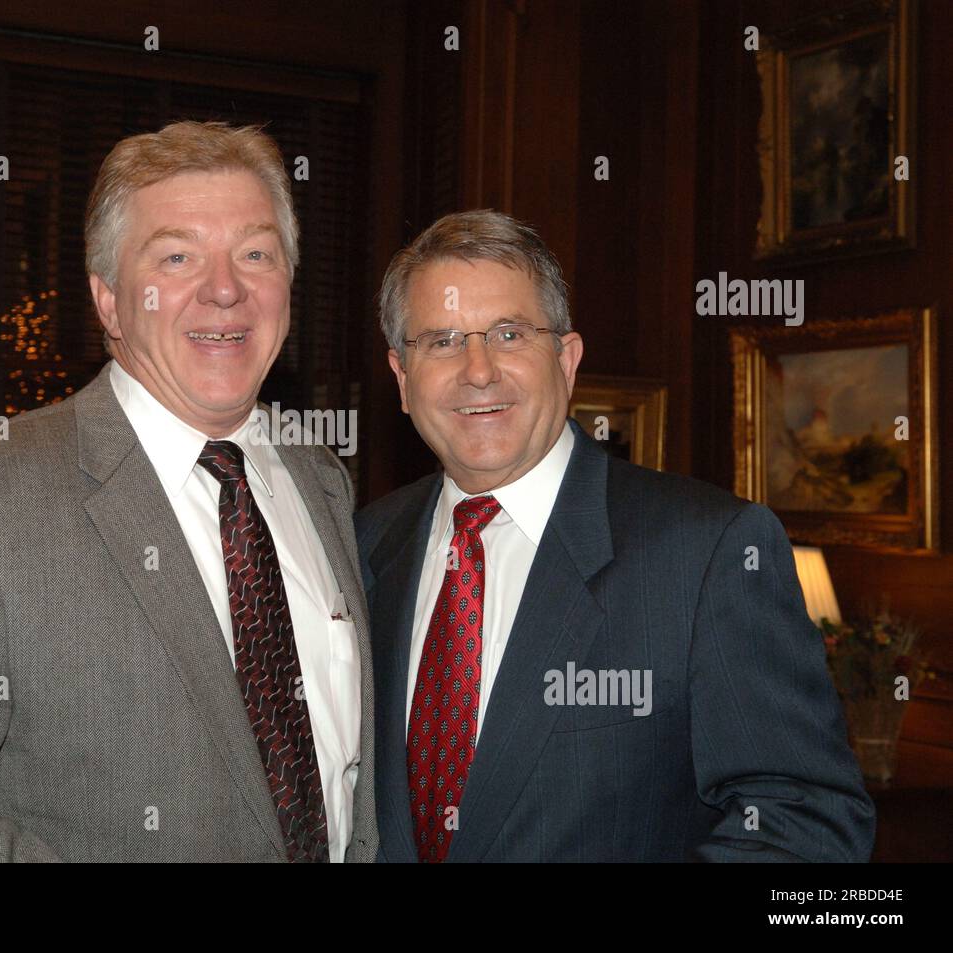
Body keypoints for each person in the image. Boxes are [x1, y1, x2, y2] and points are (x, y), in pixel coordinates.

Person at [0, 121, 375, 862]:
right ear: (108, 299)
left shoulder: (323, 481)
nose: (226, 288)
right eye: (177, 256)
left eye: (256, 253)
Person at [356, 209, 874, 862]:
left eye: (509, 333)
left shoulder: (710, 553)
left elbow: (808, 824)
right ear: (403, 379)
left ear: (566, 360)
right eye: (442, 340)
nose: (478, 369)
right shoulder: (367, 544)